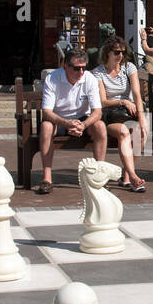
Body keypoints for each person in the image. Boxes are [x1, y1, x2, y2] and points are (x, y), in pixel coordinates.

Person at [37, 47, 107, 194]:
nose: (81, 72)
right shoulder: (53, 78)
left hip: (82, 119)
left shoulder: (89, 78)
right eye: (76, 68)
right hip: (59, 119)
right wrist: (66, 123)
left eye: (83, 68)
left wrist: (84, 124)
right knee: (46, 127)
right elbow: (47, 112)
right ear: (66, 66)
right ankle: (47, 178)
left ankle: (99, 175)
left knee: (100, 126)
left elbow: (97, 112)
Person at [94, 34, 147, 192]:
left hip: (127, 113)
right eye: (117, 52)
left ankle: (126, 175)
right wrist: (123, 101)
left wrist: (142, 116)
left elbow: (137, 93)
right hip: (108, 115)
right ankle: (133, 176)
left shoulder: (129, 68)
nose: (120, 56)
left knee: (141, 131)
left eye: (123, 52)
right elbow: (102, 101)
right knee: (124, 132)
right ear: (108, 53)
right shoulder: (99, 73)